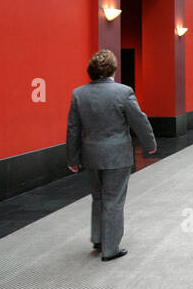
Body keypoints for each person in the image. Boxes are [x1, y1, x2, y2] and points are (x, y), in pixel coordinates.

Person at [66, 49, 157, 261]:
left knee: (97, 197)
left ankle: (98, 240)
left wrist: (72, 158)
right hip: (117, 156)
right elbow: (139, 120)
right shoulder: (123, 92)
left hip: (91, 155)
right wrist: (149, 143)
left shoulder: (79, 94)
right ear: (112, 69)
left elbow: (73, 128)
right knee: (113, 200)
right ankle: (111, 249)